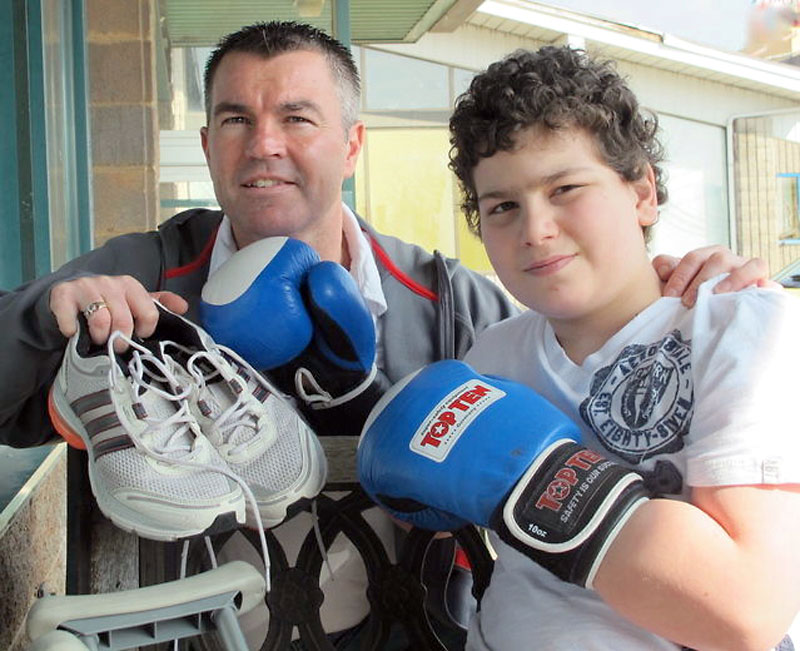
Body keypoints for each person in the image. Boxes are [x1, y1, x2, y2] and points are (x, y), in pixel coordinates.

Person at [0, 20, 775, 649]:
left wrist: (694, 289)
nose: (264, 144)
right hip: (197, 631)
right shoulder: (150, 270)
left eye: (296, 118)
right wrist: (57, 319)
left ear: (352, 145)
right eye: (236, 120)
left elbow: (590, 328)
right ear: (207, 146)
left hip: (414, 633)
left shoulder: (455, 303)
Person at [357, 46, 800, 650]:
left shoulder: (740, 326)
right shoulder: (493, 357)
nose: (536, 230)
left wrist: (537, 479)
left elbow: (746, 613)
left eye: (565, 188)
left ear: (642, 192)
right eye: (503, 206)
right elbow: (431, 509)